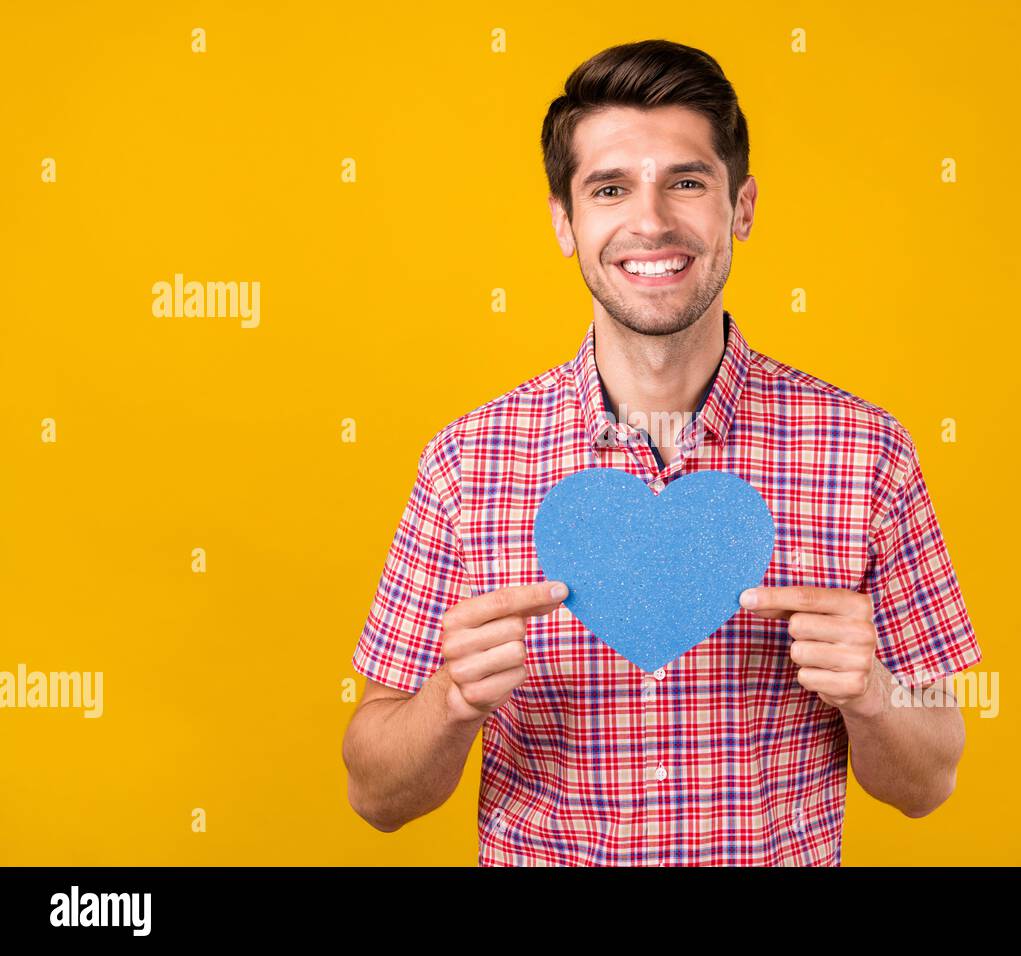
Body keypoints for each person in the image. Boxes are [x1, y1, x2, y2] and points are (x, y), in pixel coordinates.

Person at [341, 38, 982, 866]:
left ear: (740, 208)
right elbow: (374, 795)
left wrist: (875, 697)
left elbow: (929, 783)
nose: (650, 221)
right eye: (610, 189)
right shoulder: (467, 463)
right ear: (565, 223)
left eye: (686, 181)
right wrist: (448, 704)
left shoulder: (865, 451)